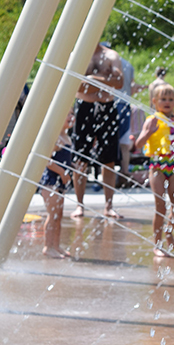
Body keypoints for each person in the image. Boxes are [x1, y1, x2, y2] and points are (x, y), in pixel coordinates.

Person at [134, 83, 174, 257]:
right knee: (161, 207)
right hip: (157, 168)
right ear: (154, 101)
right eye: (163, 99)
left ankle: (169, 231)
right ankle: (157, 244)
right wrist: (148, 133)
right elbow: (138, 145)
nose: (167, 102)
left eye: (171, 99)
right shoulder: (152, 120)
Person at [71, 42, 124, 219]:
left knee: (108, 160)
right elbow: (75, 85)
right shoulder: (77, 54)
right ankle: (79, 205)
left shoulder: (111, 56)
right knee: (80, 159)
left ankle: (108, 206)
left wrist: (92, 80)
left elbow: (119, 82)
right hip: (84, 106)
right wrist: (104, 81)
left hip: (107, 107)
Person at [39, 111, 75, 259]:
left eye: (72, 113)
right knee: (52, 214)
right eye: (66, 114)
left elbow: (65, 159)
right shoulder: (56, 138)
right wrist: (62, 172)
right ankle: (47, 247)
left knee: (58, 216)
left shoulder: (67, 138)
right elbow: (46, 160)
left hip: (60, 181)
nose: (71, 117)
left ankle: (56, 245)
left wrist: (73, 166)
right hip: (50, 181)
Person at [115, 55, 146, 187]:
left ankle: (108, 174)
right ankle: (125, 171)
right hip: (124, 104)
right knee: (124, 141)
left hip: (110, 104)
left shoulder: (104, 61)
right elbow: (132, 88)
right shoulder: (128, 64)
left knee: (107, 142)